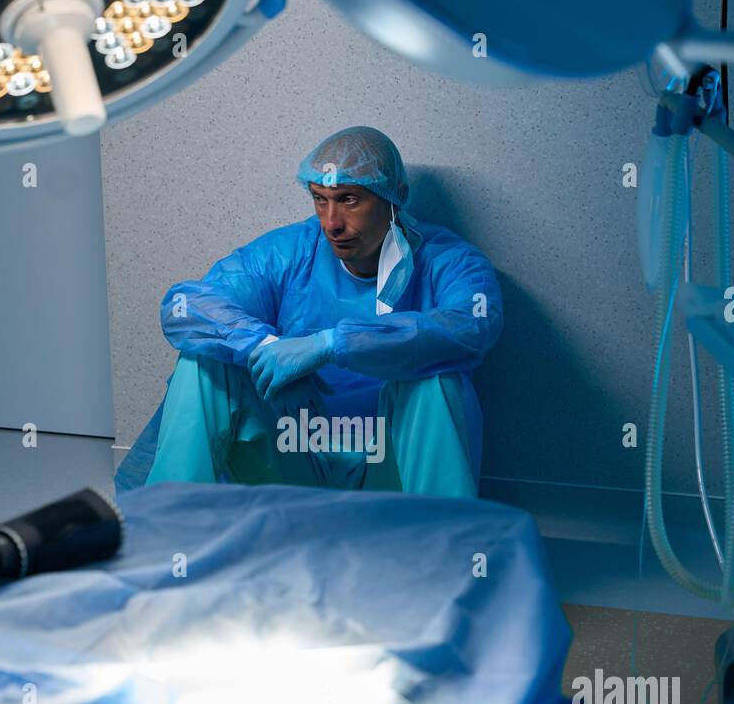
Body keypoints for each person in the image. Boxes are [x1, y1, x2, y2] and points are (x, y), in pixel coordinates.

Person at [115, 126, 503, 498]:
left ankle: (440, 552)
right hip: (295, 455)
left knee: (436, 377)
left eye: (349, 199)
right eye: (321, 199)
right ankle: (170, 533)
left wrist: (330, 345)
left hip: (390, 470)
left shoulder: (449, 262)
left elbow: (471, 326)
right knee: (204, 362)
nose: (332, 223)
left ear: (395, 196)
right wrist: (264, 349)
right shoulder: (290, 252)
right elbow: (188, 306)